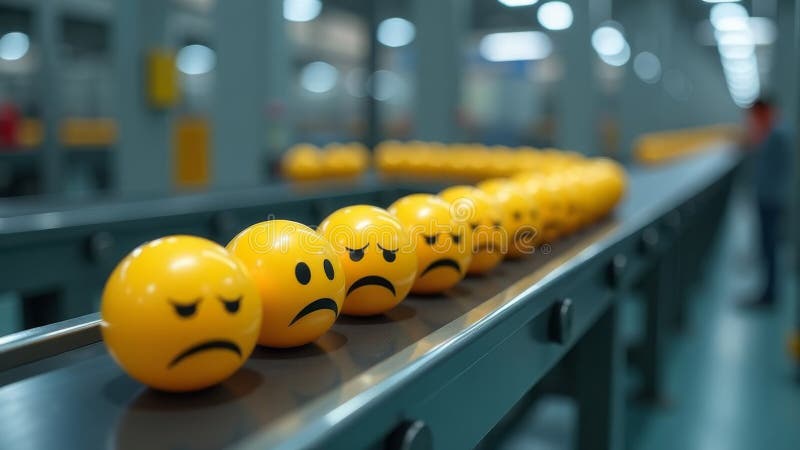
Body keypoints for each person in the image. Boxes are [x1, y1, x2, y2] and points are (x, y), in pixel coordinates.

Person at [745, 97, 793, 306]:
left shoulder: (777, 133)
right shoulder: (778, 131)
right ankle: (768, 290)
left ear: (764, 111)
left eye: (755, 115)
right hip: (770, 196)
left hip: (771, 198)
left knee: (770, 246)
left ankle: (769, 294)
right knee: (768, 246)